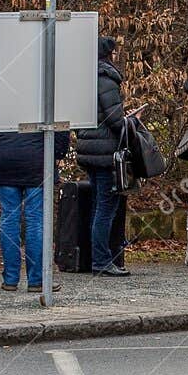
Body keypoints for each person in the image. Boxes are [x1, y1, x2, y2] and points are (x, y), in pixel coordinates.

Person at [0, 124, 69, 292]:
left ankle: (10, 279)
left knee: (8, 218)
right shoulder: (46, 96)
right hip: (38, 160)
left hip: (5, 157)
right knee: (36, 219)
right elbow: (61, 130)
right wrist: (56, 154)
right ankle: (37, 279)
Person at [74, 36, 131, 277]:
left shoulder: (81, 78)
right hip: (106, 152)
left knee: (99, 205)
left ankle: (95, 257)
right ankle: (102, 260)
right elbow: (114, 118)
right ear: (109, 55)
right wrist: (130, 125)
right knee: (107, 207)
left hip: (89, 149)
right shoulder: (106, 78)